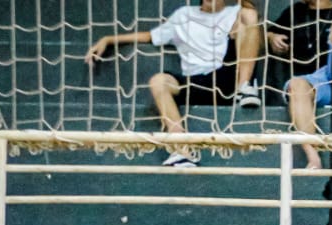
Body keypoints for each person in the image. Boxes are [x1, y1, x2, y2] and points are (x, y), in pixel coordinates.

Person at [86, 0, 263, 167]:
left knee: (248, 15)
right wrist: (108, 39)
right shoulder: (183, 15)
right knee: (159, 81)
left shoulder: (236, 13)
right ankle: (182, 148)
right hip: (196, 81)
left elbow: (254, 28)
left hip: (229, 75)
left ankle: (245, 87)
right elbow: (149, 36)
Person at [267, 0, 332, 170]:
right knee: (297, 85)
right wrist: (272, 37)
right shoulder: (294, 11)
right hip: (315, 80)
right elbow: (268, 33)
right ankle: (313, 157)